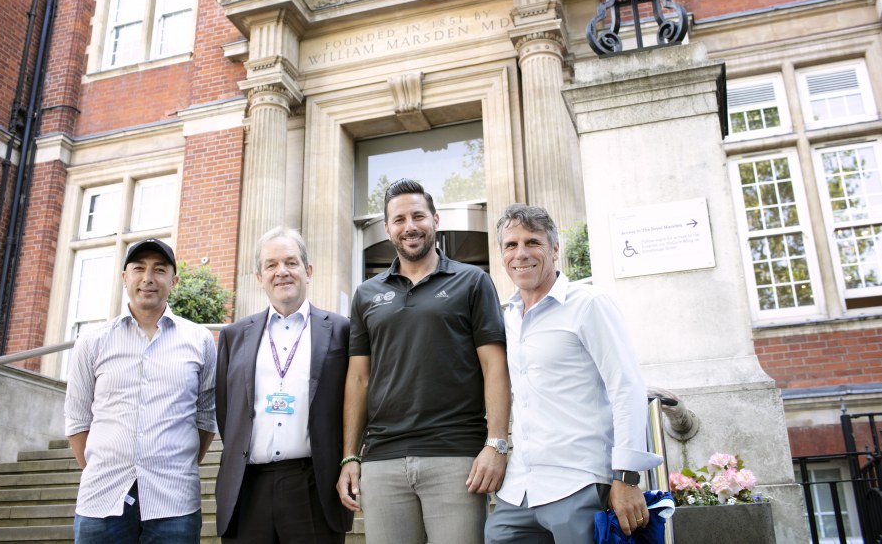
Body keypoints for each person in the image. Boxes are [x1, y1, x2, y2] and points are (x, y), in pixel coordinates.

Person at [337, 178, 511, 544]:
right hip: (382, 459)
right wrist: (350, 456)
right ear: (387, 229)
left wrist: (496, 443)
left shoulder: (472, 281)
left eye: (418, 216)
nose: (410, 226)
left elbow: (494, 367)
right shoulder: (367, 294)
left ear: (435, 219)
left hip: (455, 456)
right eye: (399, 220)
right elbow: (358, 380)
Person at [485, 204, 663, 543]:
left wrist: (626, 477)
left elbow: (626, 387)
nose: (521, 253)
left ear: (554, 249)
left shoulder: (589, 304)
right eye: (511, 245)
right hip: (519, 488)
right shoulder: (506, 317)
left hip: (579, 482)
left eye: (532, 242)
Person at [64, 238, 217, 543]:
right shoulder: (92, 342)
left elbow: (205, 417)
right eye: (139, 268)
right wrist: (106, 465)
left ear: (173, 281)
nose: (148, 278)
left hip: (174, 501)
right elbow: (78, 420)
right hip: (103, 498)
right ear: (125, 277)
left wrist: (172, 460)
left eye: (159, 270)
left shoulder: (199, 341)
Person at [215, 227, 352, 543]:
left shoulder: (341, 331)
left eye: (291, 262)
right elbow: (227, 412)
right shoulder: (234, 336)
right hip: (247, 490)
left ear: (308, 270)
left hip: (314, 488)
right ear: (259, 276)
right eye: (271, 265)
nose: (282, 272)